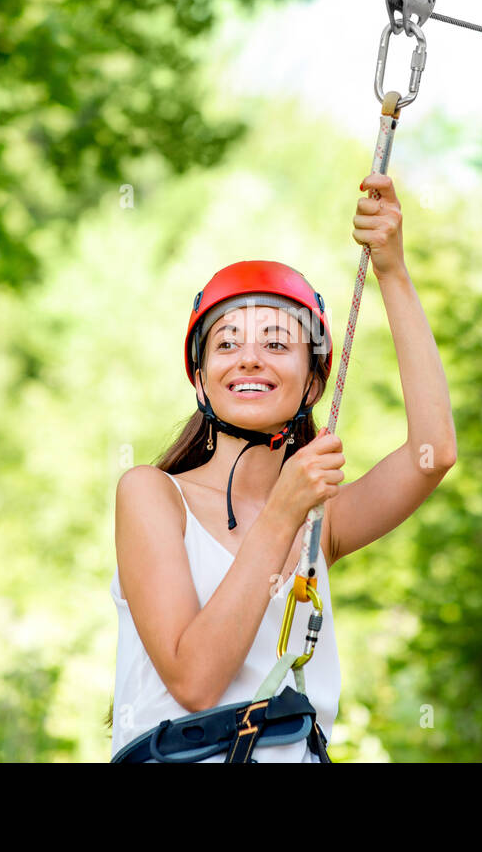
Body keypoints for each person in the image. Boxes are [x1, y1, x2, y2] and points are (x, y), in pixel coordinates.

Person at [108, 174, 458, 761]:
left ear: (313, 378)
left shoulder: (321, 521)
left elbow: (434, 453)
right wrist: (283, 511)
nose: (249, 356)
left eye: (276, 342)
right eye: (226, 344)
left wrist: (392, 271)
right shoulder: (151, 495)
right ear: (199, 377)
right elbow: (195, 682)